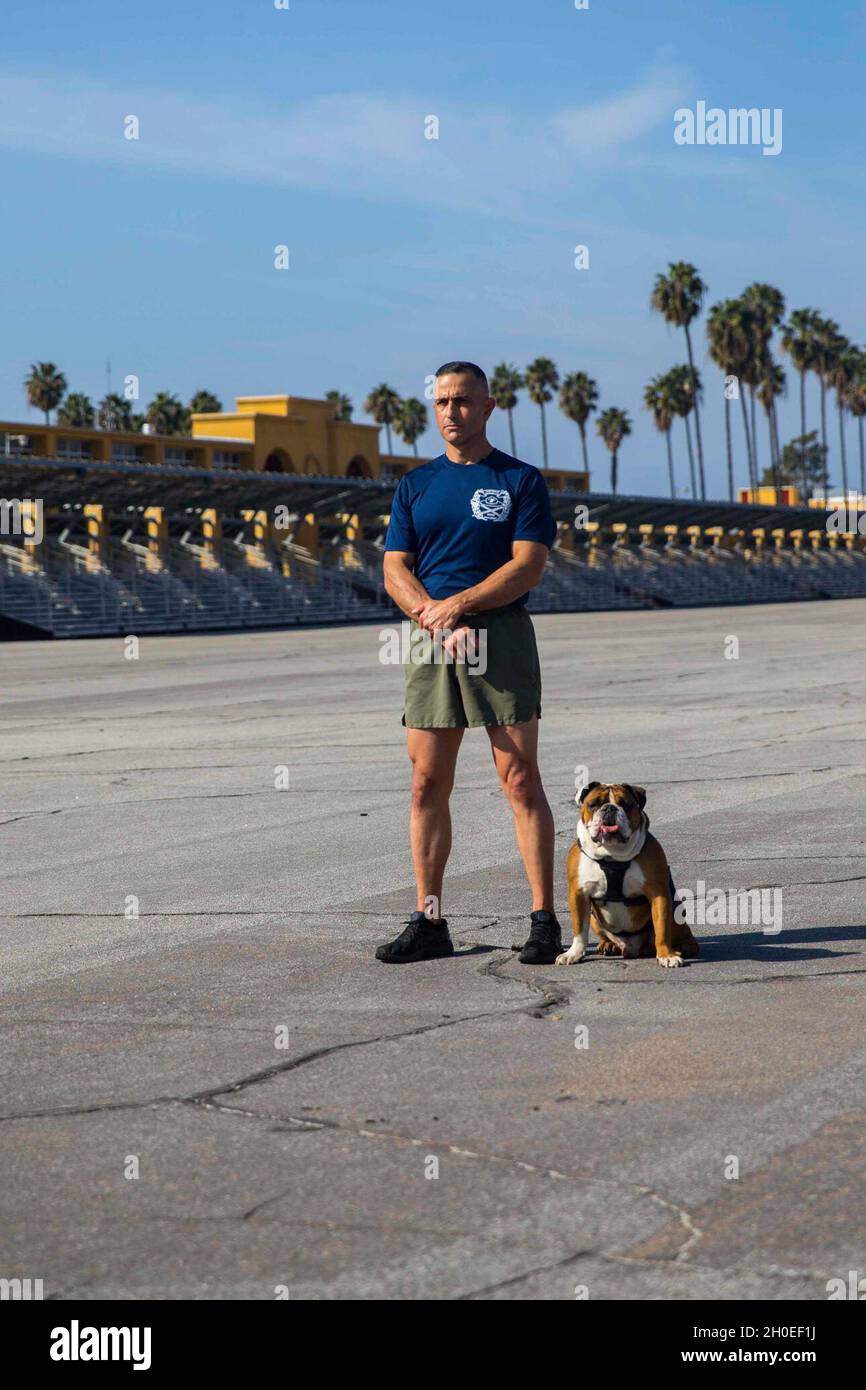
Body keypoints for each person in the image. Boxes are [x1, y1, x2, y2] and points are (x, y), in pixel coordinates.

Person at [376, 360, 563, 965]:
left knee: (519, 779)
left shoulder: (519, 480)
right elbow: (394, 568)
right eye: (441, 402)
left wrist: (460, 606)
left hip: (499, 636)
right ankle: (429, 920)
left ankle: (543, 920)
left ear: (487, 407)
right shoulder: (415, 485)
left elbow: (527, 565)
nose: (450, 412)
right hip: (432, 641)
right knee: (427, 781)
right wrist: (433, 616)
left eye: (462, 401)